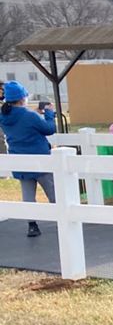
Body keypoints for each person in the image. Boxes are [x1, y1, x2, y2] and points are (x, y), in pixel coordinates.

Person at [1, 81, 56, 237]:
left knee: (28, 194)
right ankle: (63, 218)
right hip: (39, 159)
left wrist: (36, 112)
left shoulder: (4, 116)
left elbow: (21, 121)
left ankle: (32, 225)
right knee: (53, 191)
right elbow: (49, 129)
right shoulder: (30, 115)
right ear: (21, 99)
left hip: (19, 160)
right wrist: (49, 114)